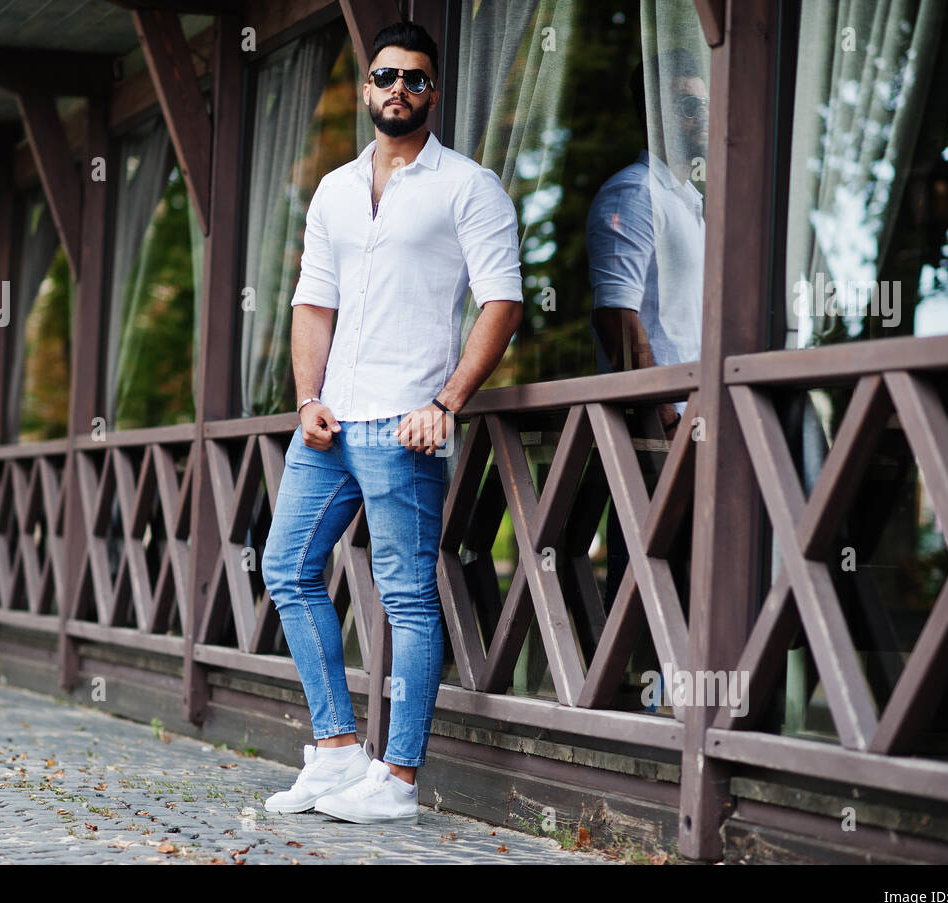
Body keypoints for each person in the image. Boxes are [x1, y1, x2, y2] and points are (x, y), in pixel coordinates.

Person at [261, 20, 523, 824]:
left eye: (414, 79)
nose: (398, 90)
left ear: (433, 93)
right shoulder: (335, 190)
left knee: (406, 596)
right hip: (332, 424)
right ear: (367, 88)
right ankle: (339, 751)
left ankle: (399, 777)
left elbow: (502, 302)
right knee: (287, 568)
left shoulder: (469, 186)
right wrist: (307, 397)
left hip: (405, 425)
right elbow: (313, 302)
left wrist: (445, 404)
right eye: (384, 77)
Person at [585, 50, 707, 696]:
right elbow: (616, 316)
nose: (700, 113)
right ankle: (631, 710)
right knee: (649, 571)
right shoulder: (634, 194)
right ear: (653, 111)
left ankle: (681, 708)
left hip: (699, 425)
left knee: (692, 574)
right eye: (684, 101)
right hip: (654, 428)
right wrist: (661, 414)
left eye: (703, 100)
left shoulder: (693, 203)